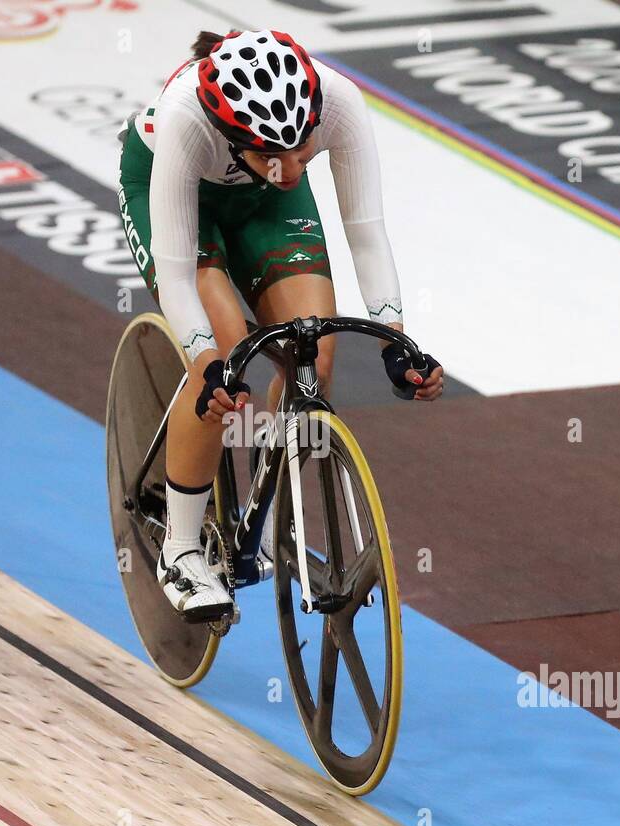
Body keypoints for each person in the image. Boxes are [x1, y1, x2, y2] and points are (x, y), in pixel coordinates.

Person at [118, 28, 443, 622]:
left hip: (265, 205)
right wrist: (208, 362)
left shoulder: (337, 105)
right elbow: (177, 274)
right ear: (236, 136)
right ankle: (182, 548)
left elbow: (366, 233)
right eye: (276, 151)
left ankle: (261, 519)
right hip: (177, 191)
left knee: (314, 348)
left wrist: (397, 340)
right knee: (223, 350)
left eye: (303, 148)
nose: (295, 165)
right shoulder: (185, 120)